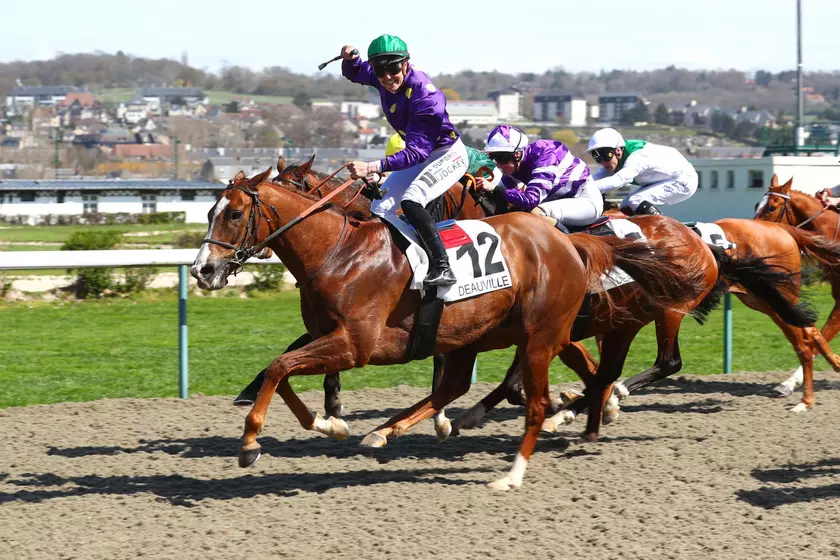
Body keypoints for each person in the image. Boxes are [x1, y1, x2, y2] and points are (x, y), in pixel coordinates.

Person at [341, 34, 466, 287]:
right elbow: (355, 73)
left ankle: (442, 265)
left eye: (393, 68)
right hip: (422, 154)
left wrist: (374, 166)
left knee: (411, 200)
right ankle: (407, 261)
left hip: (447, 154)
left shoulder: (426, 96)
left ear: (406, 63)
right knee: (379, 206)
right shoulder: (382, 75)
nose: (387, 77)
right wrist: (350, 58)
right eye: (380, 70)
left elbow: (417, 153)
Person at [475, 125, 602, 233]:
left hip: (584, 201)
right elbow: (501, 189)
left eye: (501, 158)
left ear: (517, 154)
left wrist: (496, 189)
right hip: (561, 200)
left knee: (536, 213)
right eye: (493, 158)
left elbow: (531, 201)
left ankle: (573, 248)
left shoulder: (546, 155)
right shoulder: (515, 165)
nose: (498, 164)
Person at [586, 127, 698, 216]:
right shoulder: (615, 160)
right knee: (625, 206)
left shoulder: (638, 157)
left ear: (618, 151)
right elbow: (593, 180)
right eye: (598, 159)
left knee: (636, 201)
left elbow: (618, 181)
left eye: (606, 157)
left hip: (684, 180)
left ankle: (667, 231)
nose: (603, 163)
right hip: (666, 179)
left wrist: (585, 189)